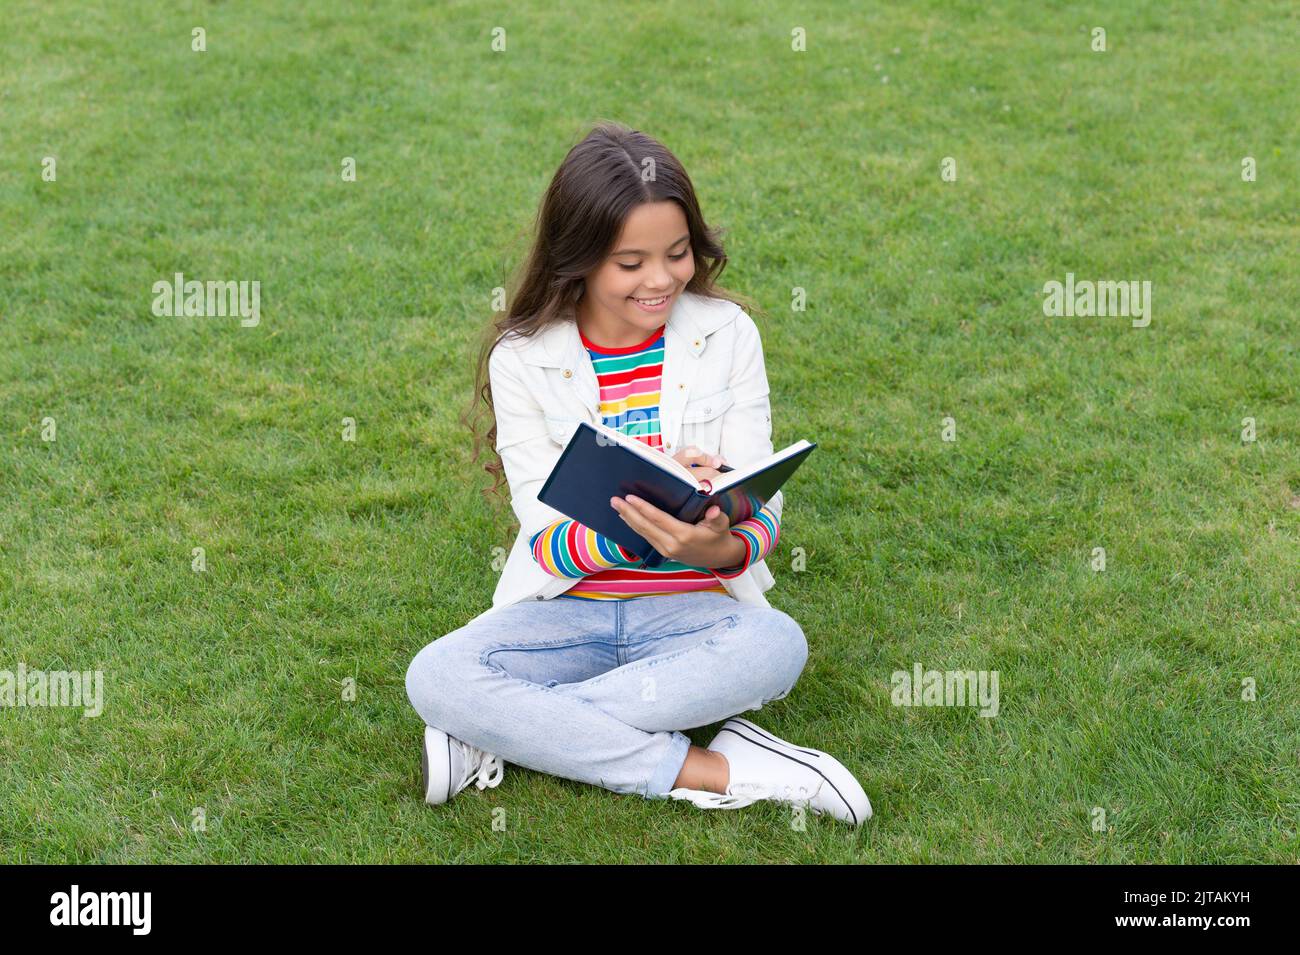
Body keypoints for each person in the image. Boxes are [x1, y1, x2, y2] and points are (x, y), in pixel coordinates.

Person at [404, 121, 871, 826]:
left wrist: (715, 543)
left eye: (678, 253)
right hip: (567, 610)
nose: (661, 280)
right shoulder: (523, 358)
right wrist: (638, 526)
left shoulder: (728, 334)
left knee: (777, 646)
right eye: (630, 263)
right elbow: (543, 531)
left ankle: (508, 730)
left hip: (694, 616)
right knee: (433, 674)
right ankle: (719, 765)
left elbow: (758, 499)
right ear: (579, 259)